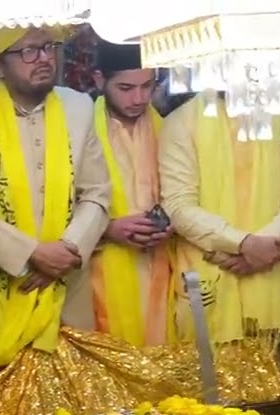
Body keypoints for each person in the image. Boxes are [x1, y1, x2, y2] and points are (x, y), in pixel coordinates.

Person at [0, 26, 110, 369]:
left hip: (68, 290)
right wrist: (32, 254)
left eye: (48, 47)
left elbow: (98, 192)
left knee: (76, 408)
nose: (44, 58)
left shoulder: (79, 107)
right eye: (28, 52)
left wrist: (69, 248)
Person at [158, 84, 280, 344]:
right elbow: (178, 205)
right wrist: (243, 244)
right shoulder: (181, 122)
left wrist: (264, 245)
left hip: (277, 278)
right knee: (209, 382)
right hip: (211, 278)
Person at [89, 40, 174, 347]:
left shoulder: (170, 128)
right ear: (99, 80)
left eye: (147, 86)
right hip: (102, 268)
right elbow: (53, 205)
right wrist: (107, 228)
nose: (139, 98)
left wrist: (172, 221)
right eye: (125, 88)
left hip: (164, 262)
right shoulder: (80, 131)